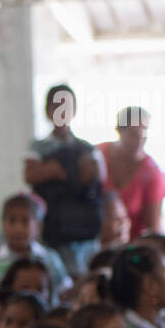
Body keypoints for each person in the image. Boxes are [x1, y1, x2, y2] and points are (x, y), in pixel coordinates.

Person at [25, 84, 105, 275]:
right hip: (52, 232)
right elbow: (31, 174)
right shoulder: (37, 146)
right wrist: (74, 168)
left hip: (84, 233)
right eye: (56, 106)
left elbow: (97, 174)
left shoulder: (87, 147)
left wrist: (56, 168)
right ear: (47, 110)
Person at [98, 106, 165, 239]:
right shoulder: (98, 156)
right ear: (120, 131)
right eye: (134, 133)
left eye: (144, 133)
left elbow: (153, 227)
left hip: (133, 246)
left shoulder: (152, 173)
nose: (140, 139)